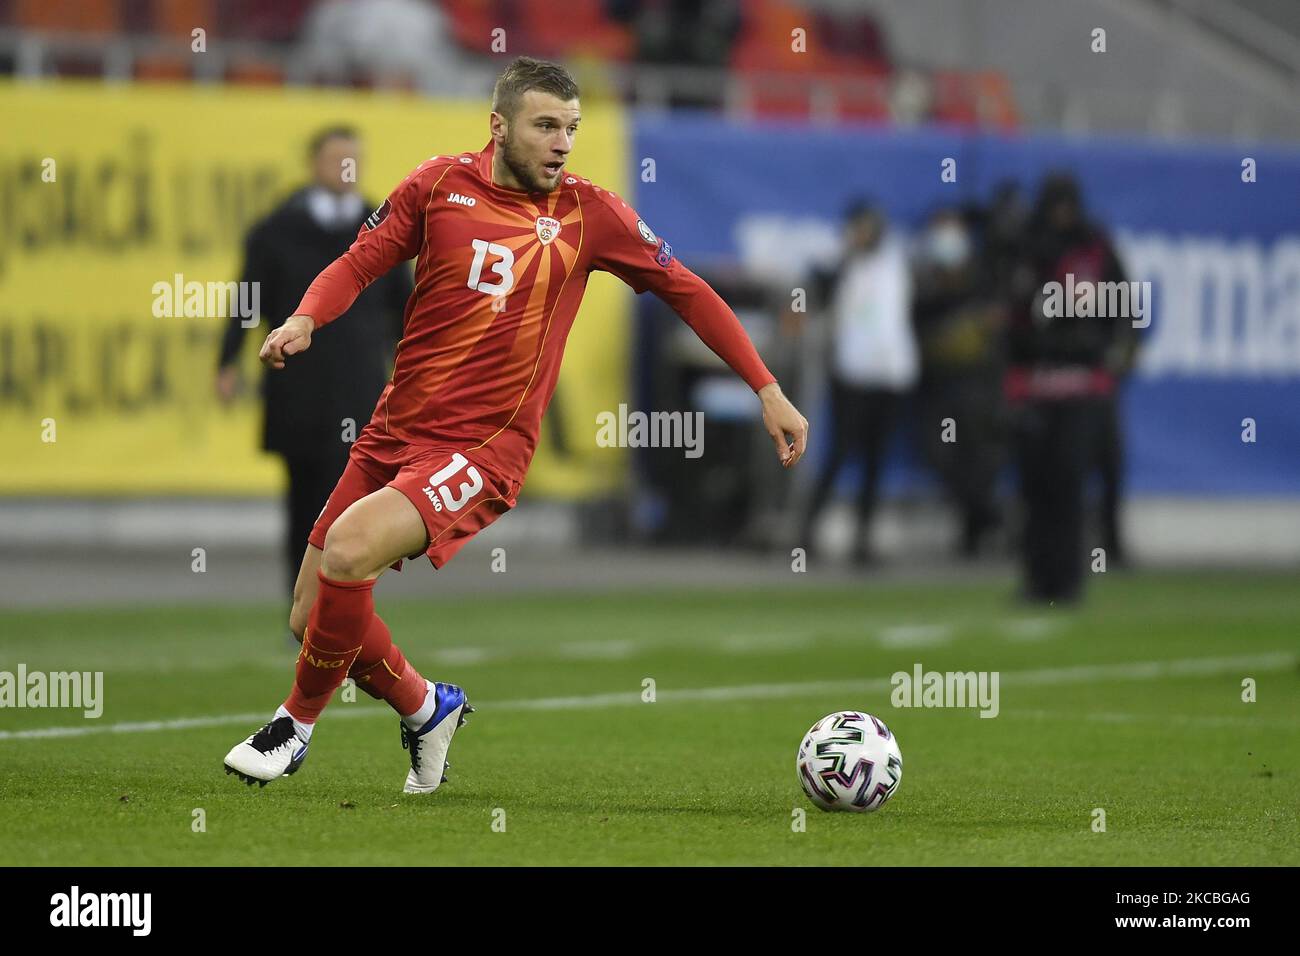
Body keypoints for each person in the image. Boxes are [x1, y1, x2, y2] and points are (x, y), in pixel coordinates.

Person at [222, 57, 809, 794]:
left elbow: (687, 291)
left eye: (571, 128)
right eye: (545, 126)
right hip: (393, 430)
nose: (562, 143)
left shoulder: (592, 215)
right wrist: (307, 316)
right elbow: (359, 262)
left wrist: (767, 387)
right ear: (499, 126)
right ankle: (426, 706)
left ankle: (294, 727)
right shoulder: (437, 185)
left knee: (348, 550)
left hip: (482, 448)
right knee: (310, 615)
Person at [217, 127, 411, 594]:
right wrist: (227, 361)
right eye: (338, 160)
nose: (348, 170)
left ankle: (347, 602)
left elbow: (403, 309)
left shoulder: (382, 227)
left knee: (357, 502)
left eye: (354, 161)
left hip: (359, 385)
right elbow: (248, 300)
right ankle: (300, 600)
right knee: (304, 499)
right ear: (314, 164)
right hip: (297, 385)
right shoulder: (277, 230)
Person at [1007, 173, 1133, 602]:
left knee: (1068, 484)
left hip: (1083, 389)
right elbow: (1011, 318)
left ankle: (1068, 579)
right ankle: (1038, 578)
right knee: (1035, 488)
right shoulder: (1028, 249)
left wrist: (1110, 360)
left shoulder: (1096, 248)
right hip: (1035, 386)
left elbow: (1125, 314)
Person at [799, 201, 914, 565]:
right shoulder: (843, 266)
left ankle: (863, 540)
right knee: (838, 454)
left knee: (875, 461)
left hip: (890, 375)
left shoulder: (896, 263)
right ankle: (807, 532)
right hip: (852, 375)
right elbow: (817, 290)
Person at [912, 207, 1006, 557]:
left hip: (976, 384)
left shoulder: (981, 280)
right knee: (939, 453)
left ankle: (976, 529)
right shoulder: (924, 282)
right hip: (938, 385)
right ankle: (987, 518)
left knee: (980, 457)